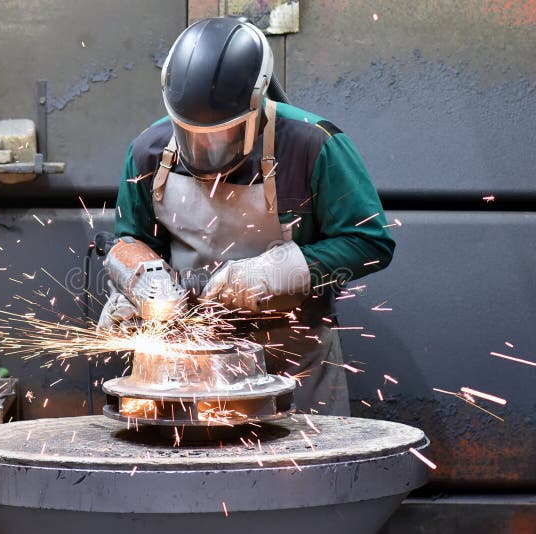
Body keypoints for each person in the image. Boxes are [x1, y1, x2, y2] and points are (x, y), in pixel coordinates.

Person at [99, 16, 394, 416]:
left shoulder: (313, 145)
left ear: (257, 105)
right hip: (186, 360)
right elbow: (132, 241)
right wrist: (136, 285)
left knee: (301, 472)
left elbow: (371, 243)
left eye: (223, 134)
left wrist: (269, 273)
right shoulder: (147, 152)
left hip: (294, 351)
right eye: (191, 134)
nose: (206, 151)